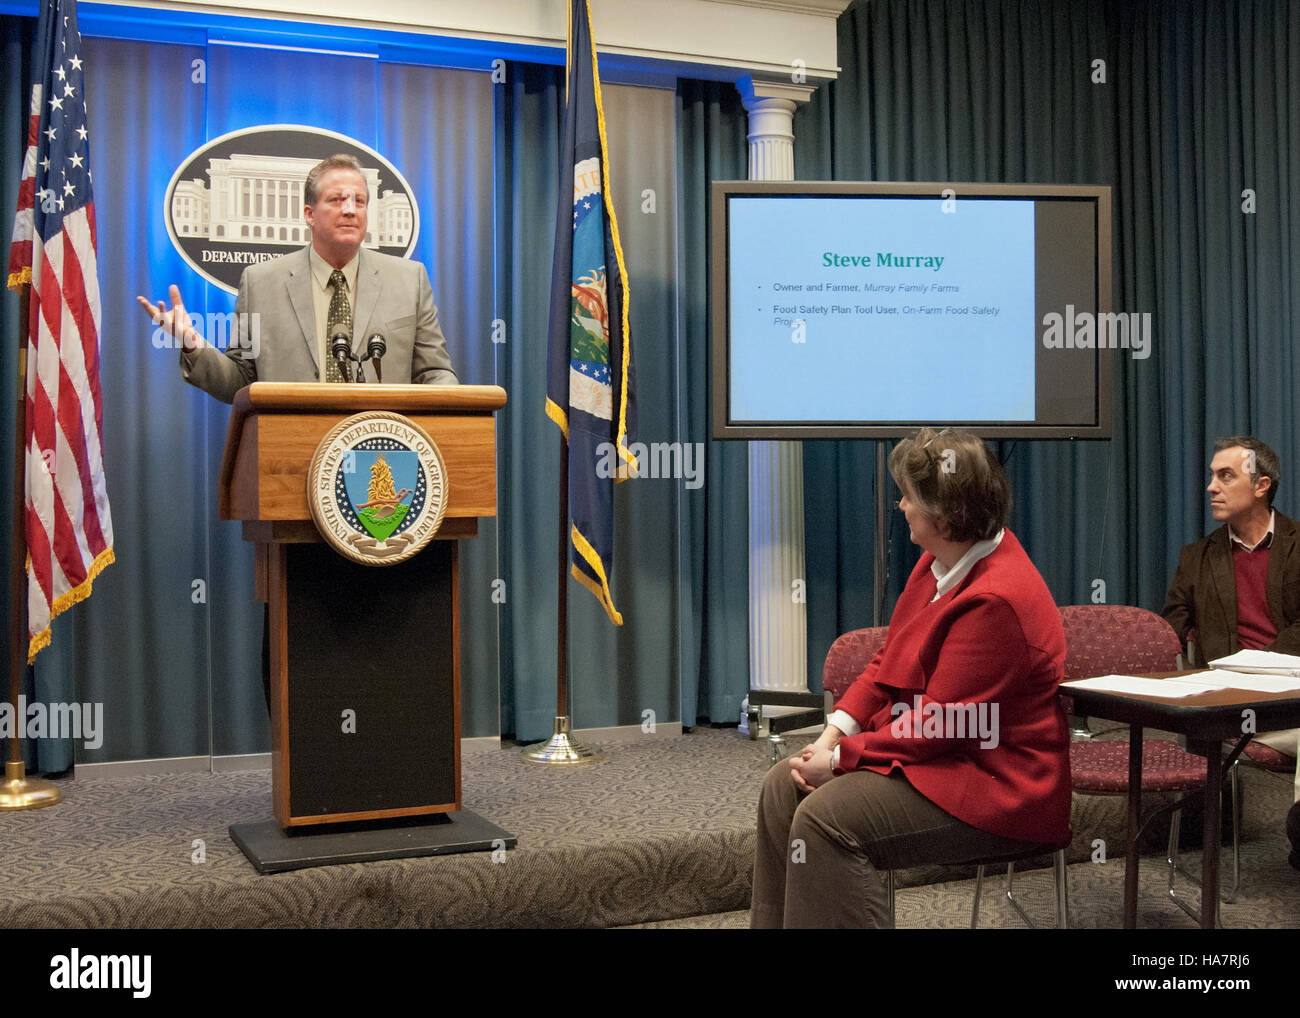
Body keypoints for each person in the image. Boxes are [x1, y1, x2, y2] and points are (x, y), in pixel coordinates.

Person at [751, 428, 1071, 928]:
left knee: (825, 818)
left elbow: (942, 726)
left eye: (907, 497)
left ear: (942, 516)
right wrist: (833, 735)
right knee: (781, 785)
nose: (900, 505)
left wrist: (839, 761)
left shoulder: (997, 600)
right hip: (942, 758)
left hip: (996, 787)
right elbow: (886, 662)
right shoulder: (937, 562)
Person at [138, 153, 457, 401]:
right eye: (336, 200)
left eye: (359, 201)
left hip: (381, 464)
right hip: (289, 458)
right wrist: (192, 344)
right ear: (309, 214)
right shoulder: (259, 284)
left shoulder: (410, 280)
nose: (350, 210)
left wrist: (454, 404)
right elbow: (241, 380)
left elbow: (435, 371)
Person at [1161, 436, 1300, 761]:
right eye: (1212, 476)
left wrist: (1259, 668)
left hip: (1291, 697)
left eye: (1225, 476)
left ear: (1260, 485)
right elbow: (1169, 632)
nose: (1211, 487)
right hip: (1229, 705)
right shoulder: (1196, 558)